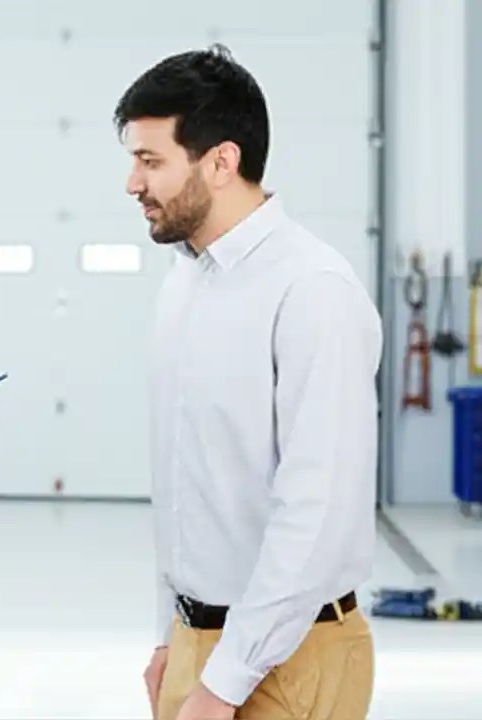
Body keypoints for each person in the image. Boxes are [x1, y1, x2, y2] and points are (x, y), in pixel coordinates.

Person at [113, 45, 381, 720]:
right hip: (200, 645)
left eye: (151, 161)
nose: (132, 183)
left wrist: (223, 684)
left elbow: (316, 510)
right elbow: (186, 486)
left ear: (222, 161)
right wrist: (170, 635)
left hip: (292, 657)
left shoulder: (311, 290)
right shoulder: (185, 283)